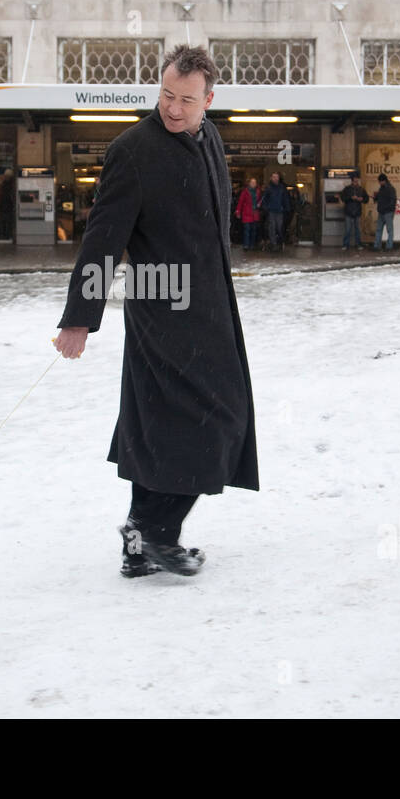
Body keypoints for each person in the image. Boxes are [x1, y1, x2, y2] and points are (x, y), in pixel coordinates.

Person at [54, 44, 259, 578]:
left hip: (210, 305)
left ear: (208, 100)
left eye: (186, 100)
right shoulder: (134, 150)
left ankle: (141, 539)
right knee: (208, 417)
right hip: (161, 306)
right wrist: (80, 315)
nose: (173, 108)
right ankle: (156, 534)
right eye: (167, 94)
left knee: (165, 425)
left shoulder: (210, 138)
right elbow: (103, 238)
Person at [259, 171, 290, 251]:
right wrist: (266, 207)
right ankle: (273, 243)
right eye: (274, 177)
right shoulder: (269, 188)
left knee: (279, 227)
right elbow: (265, 199)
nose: (275, 178)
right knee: (272, 227)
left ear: (279, 178)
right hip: (271, 211)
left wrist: (286, 208)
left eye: (277, 177)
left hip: (279, 210)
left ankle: (280, 242)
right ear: (271, 178)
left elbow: (285, 199)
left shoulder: (282, 188)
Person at [340, 171, 369, 250]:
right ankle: (347, 244)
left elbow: (366, 199)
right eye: (355, 181)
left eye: (357, 181)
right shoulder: (348, 189)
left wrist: (362, 199)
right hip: (350, 211)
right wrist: (351, 198)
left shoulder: (360, 189)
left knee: (356, 230)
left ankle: (356, 244)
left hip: (356, 211)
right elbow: (343, 198)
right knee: (348, 229)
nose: (356, 182)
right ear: (352, 181)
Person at [234, 176, 261, 250]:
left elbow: (260, 200)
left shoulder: (258, 191)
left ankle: (251, 245)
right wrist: (238, 211)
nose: (253, 184)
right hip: (247, 213)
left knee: (253, 230)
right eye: (252, 182)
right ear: (249, 183)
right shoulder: (245, 192)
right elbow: (241, 202)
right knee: (247, 230)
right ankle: (246, 245)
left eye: (254, 182)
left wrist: (259, 204)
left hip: (254, 213)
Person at [373, 173, 397, 251]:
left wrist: (384, 207)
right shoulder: (385, 188)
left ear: (384, 181)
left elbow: (392, 201)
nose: (379, 183)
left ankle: (386, 246)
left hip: (387, 212)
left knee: (385, 229)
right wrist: (375, 198)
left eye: (380, 181)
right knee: (385, 229)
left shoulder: (389, 189)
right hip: (383, 211)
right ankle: (380, 245)